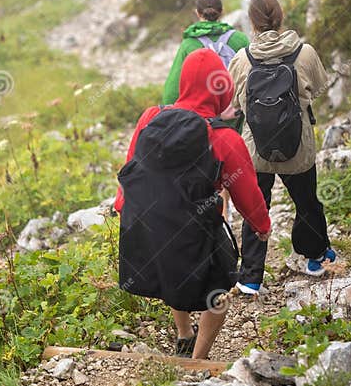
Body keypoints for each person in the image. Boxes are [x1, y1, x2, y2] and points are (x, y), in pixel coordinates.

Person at [115, 49, 271, 360]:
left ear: (183, 82)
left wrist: (123, 207)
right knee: (221, 290)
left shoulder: (151, 117)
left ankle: (184, 334)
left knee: (174, 269)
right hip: (193, 233)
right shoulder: (224, 138)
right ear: (221, 88)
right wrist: (261, 226)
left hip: (147, 225)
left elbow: (132, 169)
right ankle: (197, 360)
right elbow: (247, 193)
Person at [229, 0, 335, 294]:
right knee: (306, 202)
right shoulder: (305, 53)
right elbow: (319, 88)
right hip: (298, 147)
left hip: (255, 150)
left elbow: (235, 102)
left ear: (252, 23)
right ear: (281, 17)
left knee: (255, 206)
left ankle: (251, 277)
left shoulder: (241, 59)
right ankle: (314, 258)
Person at [162, 0, 249, 105]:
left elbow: (173, 89)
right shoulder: (240, 39)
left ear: (197, 13)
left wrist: (169, 109)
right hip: (236, 110)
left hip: (204, 111)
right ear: (222, 11)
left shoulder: (189, 44)